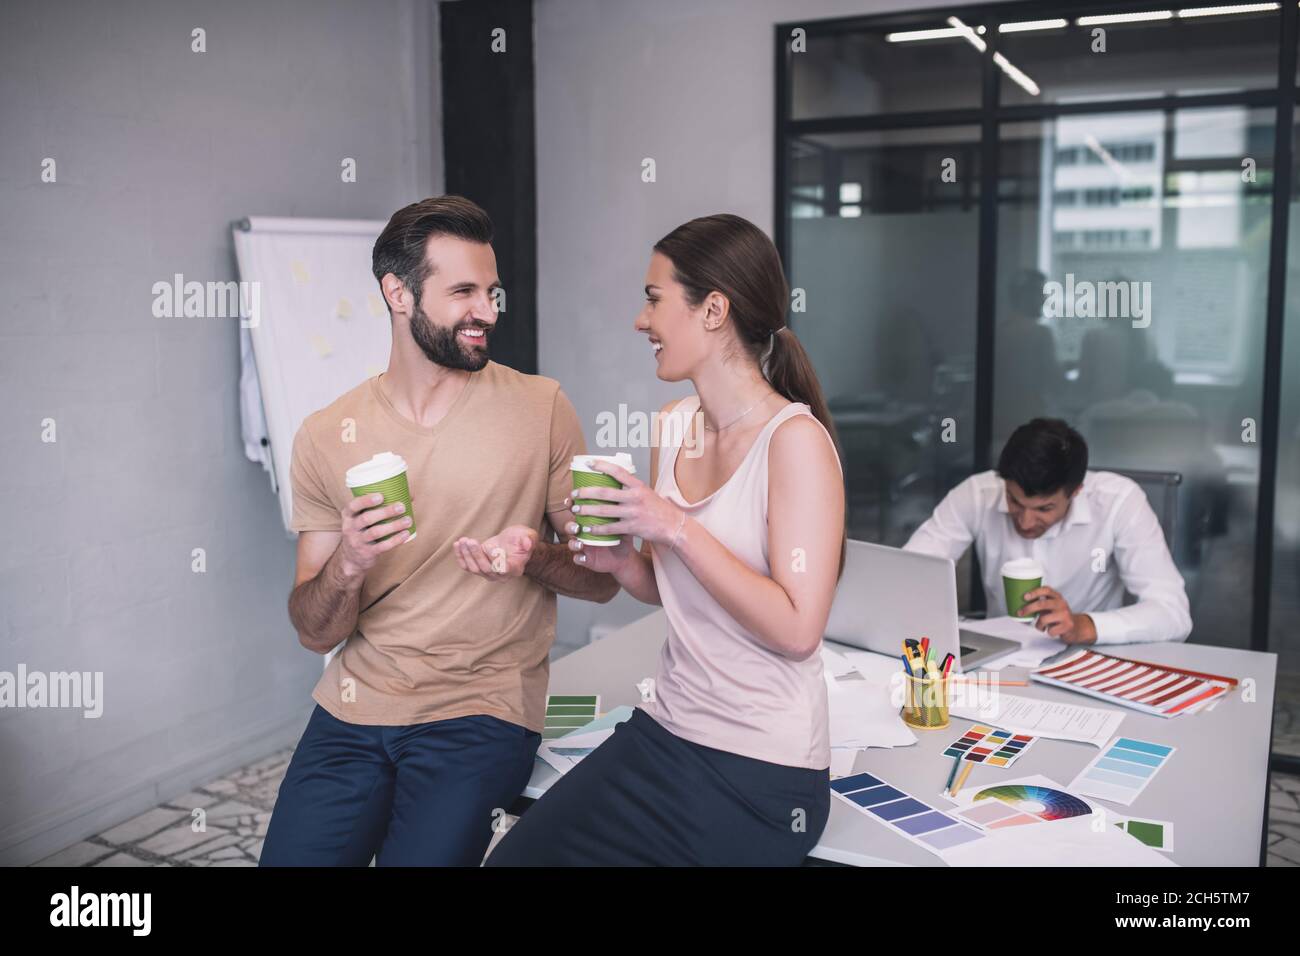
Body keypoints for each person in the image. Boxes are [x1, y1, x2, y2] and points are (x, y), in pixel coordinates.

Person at [260, 196, 618, 866]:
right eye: (463, 292)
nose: (486, 310)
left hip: (482, 708)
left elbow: (602, 582)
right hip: (355, 703)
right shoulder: (324, 435)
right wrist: (350, 562)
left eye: (491, 291)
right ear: (398, 293)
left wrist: (533, 556)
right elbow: (314, 629)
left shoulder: (541, 408)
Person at [486, 214, 846, 866]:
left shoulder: (795, 444)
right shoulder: (673, 426)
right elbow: (671, 586)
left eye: (654, 299)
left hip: (763, 769)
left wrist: (675, 525)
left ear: (713, 310)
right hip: (669, 732)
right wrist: (626, 563)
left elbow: (797, 630)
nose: (640, 320)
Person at [905, 417, 1192, 645]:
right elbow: (909, 572)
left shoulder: (1119, 501)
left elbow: (1173, 614)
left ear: (1076, 491)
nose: (1026, 522)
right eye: (1015, 502)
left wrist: (1085, 625)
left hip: (1088, 657)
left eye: (1044, 509)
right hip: (997, 658)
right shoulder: (978, 493)